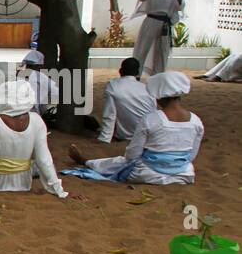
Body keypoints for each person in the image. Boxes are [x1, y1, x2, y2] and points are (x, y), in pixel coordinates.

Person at [64, 72, 203, 185]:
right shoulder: (197, 121)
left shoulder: (151, 119)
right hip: (183, 174)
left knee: (119, 161)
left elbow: (132, 155)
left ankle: (86, 162)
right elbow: (191, 156)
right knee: (122, 161)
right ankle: (88, 162)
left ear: (159, 97)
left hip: (148, 174)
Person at [131, 0, 185, 77]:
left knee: (162, 51)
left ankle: (158, 76)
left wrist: (180, 1)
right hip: (151, 21)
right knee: (142, 49)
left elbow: (179, 8)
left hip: (165, 24)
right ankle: (136, 75)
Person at [98, 57, 156, 143]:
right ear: (137, 73)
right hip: (151, 134)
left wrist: (105, 138)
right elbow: (153, 112)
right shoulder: (147, 89)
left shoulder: (113, 86)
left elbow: (109, 115)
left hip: (127, 135)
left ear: (120, 71)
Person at [20, 50, 58, 118]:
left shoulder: (17, 74)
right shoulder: (39, 76)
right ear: (39, 65)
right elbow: (57, 92)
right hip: (33, 114)